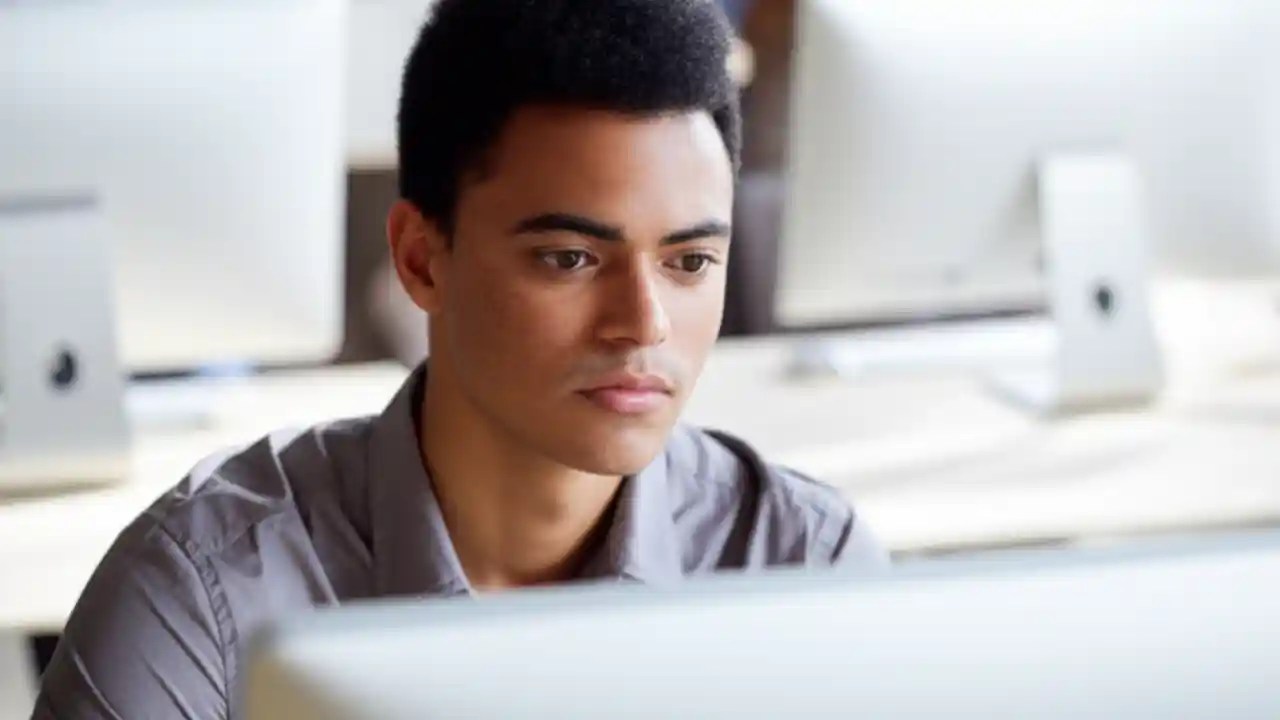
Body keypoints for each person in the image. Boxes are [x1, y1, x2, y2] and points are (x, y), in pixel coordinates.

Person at [33, 0, 886, 716]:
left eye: (689, 262)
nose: (644, 324)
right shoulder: (203, 599)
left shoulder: (802, 567)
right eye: (569, 258)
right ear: (420, 258)